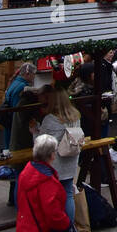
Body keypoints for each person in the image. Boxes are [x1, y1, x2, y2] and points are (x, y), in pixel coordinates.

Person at [39, 85, 84, 224]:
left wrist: (34, 131)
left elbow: (41, 141)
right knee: (68, 193)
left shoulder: (50, 119)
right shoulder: (75, 116)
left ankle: (54, 225)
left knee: (51, 196)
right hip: (71, 160)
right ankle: (68, 226)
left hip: (55, 163)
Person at [0, 62, 37, 149]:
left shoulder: (14, 82)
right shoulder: (22, 87)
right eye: (33, 74)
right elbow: (18, 109)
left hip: (8, 120)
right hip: (14, 124)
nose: (34, 77)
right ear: (27, 74)